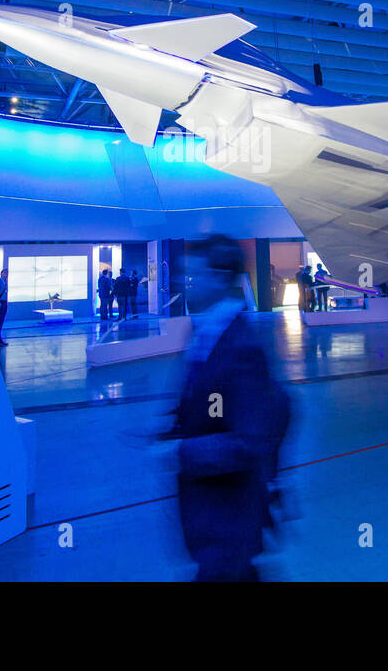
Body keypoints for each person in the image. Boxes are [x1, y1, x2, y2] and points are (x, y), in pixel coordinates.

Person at [161, 235, 290, 582]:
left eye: (193, 276)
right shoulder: (203, 332)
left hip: (231, 518)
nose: (185, 284)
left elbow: (250, 440)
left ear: (220, 277)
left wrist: (181, 452)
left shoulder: (241, 347)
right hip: (209, 515)